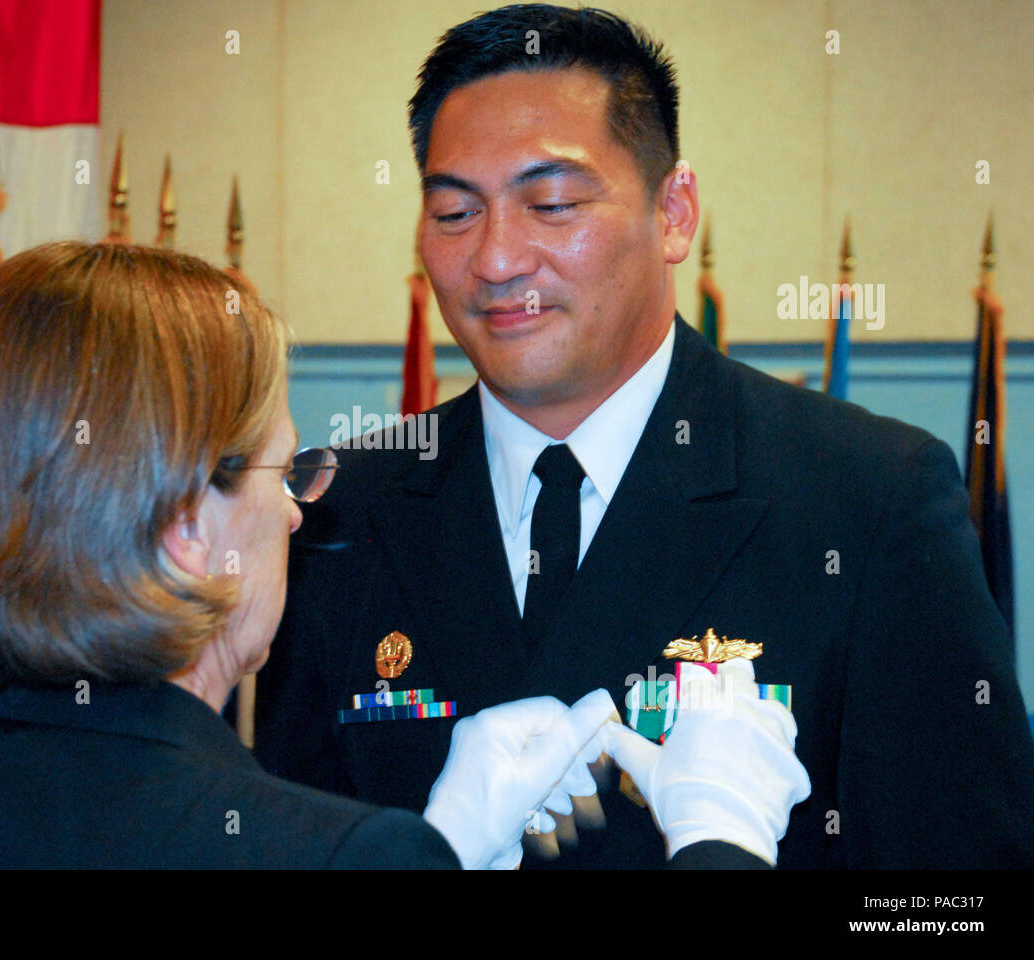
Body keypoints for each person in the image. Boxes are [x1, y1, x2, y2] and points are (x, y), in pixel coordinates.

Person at [255, 4, 1034, 869]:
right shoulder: (338, 510)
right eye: (453, 214)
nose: (497, 259)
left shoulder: (866, 499)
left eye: (551, 203)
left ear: (674, 212)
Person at [0, 242, 808, 869]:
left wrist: (448, 850)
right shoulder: (328, 854)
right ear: (186, 525)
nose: (298, 516)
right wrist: (720, 837)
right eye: (281, 472)